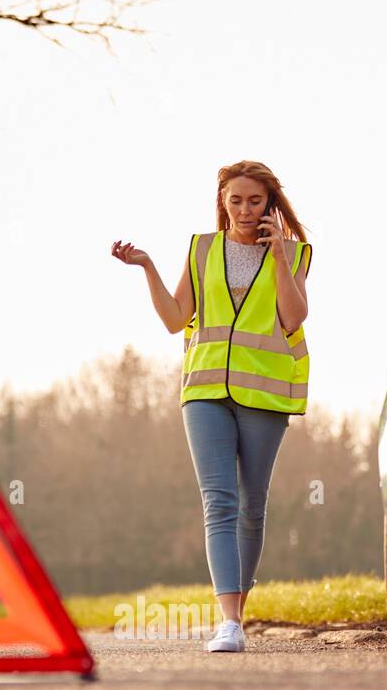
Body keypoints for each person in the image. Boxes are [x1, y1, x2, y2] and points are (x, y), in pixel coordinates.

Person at [111, 159, 312, 651]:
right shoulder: (201, 249)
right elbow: (176, 319)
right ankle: (230, 623)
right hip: (203, 391)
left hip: (265, 394)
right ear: (223, 202)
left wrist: (279, 258)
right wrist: (148, 268)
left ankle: (238, 614)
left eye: (255, 200)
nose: (245, 209)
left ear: (270, 204)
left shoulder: (296, 252)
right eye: (236, 200)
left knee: (252, 505)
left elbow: (292, 318)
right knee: (218, 502)